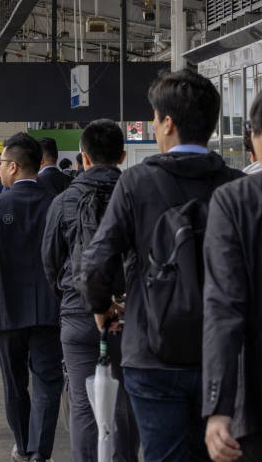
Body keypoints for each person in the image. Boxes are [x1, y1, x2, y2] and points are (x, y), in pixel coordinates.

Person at [81, 69, 244, 462]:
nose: (154, 126)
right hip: (226, 357)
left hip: (151, 351)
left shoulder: (136, 183)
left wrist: (103, 309)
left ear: (168, 123)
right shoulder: (237, 186)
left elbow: (96, 263)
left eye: (154, 118)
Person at [41, 119, 140, 462]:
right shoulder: (137, 195)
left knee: (83, 403)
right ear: (123, 156)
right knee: (125, 399)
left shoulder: (64, 201)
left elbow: (50, 260)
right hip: (129, 312)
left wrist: (71, 297)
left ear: (83, 158)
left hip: (78, 313)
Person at [0, 133, 63, 462]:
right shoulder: (57, 202)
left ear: (12, 166)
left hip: (6, 307)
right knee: (48, 381)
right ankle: (41, 451)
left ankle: (24, 446)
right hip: (51, 309)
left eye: (0, 166)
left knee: (14, 382)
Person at [202, 99, 262, 462]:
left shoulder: (236, 201)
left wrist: (219, 407)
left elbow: (224, 308)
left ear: (254, 137)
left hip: (255, 401)